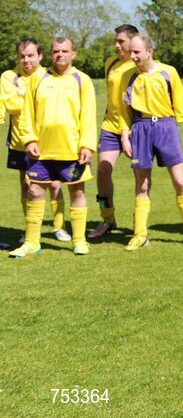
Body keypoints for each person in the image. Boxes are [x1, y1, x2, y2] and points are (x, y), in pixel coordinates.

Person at [9, 38, 96, 258]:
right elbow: (27, 113)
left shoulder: (82, 80)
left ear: (73, 54)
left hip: (73, 150)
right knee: (34, 190)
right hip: (42, 151)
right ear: (50, 54)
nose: (60, 55)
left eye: (64, 51)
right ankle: (31, 242)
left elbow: (88, 115)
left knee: (76, 191)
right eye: (56, 51)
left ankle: (79, 240)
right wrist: (29, 139)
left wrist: (87, 144)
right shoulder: (37, 79)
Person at [118, 34, 183, 250]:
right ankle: (140, 234)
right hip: (140, 128)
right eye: (131, 52)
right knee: (142, 184)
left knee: (179, 181)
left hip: (166, 127)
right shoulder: (127, 76)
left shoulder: (168, 72)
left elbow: (181, 101)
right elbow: (124, 110)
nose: (133, 56)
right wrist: (124, 136)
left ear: (150, 51)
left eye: (137, 52)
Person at [2, 38, 67, 242]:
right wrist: (26, 97)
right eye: (22, 56)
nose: (26, 60)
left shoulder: (49, 76)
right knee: (27, 185)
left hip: (49, 140)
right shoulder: (8, 77)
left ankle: (59, 227)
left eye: (31, 55)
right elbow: (11, 104)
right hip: (21, 141)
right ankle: (31, 230)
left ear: (40, 56)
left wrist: (23, 95)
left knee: (55, 184)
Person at [89, 23, 140, 239]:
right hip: (110, 126)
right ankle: (107, 219)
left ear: (133, 40)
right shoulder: (110, 64)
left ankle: (140, 225)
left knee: (140, 174)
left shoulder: (141, 64)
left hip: (136, 127)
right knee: (102, 170)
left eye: (121, 41)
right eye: (116, 41)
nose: (116, 45)